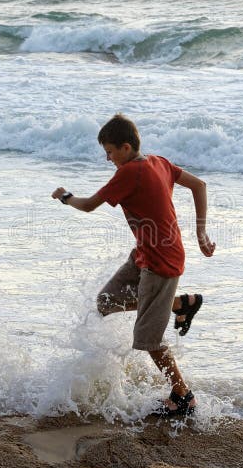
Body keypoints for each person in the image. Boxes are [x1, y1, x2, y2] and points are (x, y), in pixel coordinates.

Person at [51, 113, 215, 418]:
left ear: (126, 148)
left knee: (149, 340)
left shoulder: (130, 172)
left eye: (110, 152)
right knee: (106, 302)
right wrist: (201, 232)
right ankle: (180, 304)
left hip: (160, 263)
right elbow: (199, 185)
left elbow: (87, 206)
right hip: (143, 254)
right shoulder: (159, 161)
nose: (108, 159)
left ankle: (183, 397)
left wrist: (65, 197)